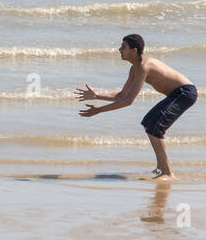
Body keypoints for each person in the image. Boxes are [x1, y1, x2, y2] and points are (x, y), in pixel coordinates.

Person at [74, 33, 196, 180]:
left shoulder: (144, 67)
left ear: (134, 51)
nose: (119, 49)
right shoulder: (135, 68)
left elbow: (128, 101)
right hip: (176, 94)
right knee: (148, 123)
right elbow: (121, 95)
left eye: (123, 47)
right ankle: (160, 168)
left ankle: (168, 173)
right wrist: (97, 96)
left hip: (184, 93)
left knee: (155, 128)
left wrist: (99, 110)